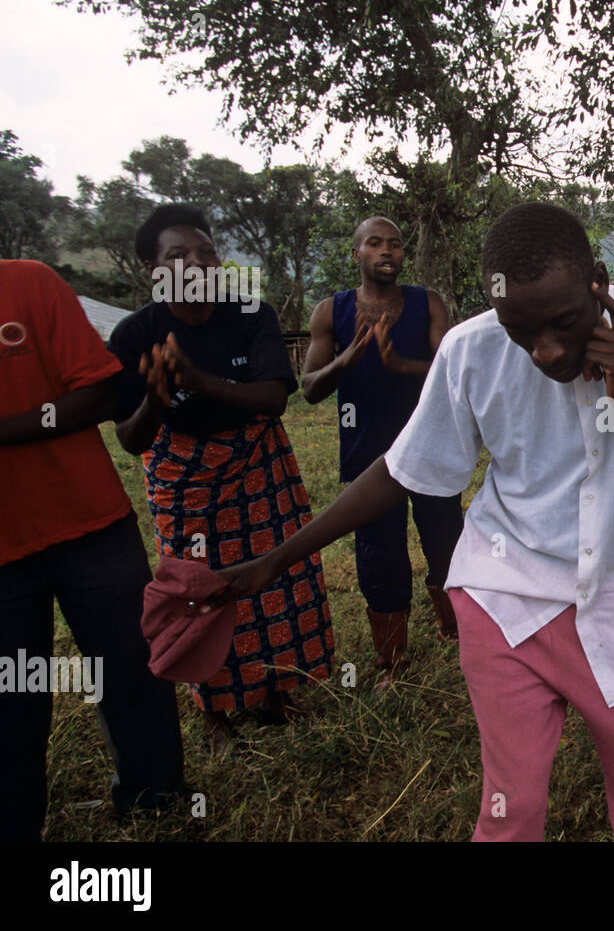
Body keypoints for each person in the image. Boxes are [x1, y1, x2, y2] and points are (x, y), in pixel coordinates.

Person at [207, 202, 614, 841]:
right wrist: (274, 560)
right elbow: (404, 469)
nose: (543, 351)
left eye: (562, 322)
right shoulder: (471, 347)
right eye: (521, 329)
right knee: (511, 811)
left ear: (598, 279)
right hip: (507, 604)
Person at [109, 204, 334, 755]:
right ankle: (214, 712)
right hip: (182, 470)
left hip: (256, 459)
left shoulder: (248, 313)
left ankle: (277, 689)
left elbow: (274, 398)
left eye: (206, 251)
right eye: (177, 254)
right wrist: (158, 403)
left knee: (278, 579)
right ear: (151, 270)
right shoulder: (134, 334)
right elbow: (131, 439)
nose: (195, 262)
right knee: (196, 587)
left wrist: (196, 379)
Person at [0, 259, 185, 841]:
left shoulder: (27, 283)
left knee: (129, 665)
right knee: (13, 694)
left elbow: (100, 393)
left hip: (89, 521)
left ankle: (155, 801)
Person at [300, 215, 463, 691]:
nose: (387, 251)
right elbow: (308, 388)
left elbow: (451, 370)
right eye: (375, 244)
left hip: (430, 446)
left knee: (445, 546)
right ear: (357, 254)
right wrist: (349, 357)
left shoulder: (426, 303)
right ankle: (392, 664)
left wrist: (399, 363)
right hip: (368, 454)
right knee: (379, 556)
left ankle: (454, 632)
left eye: (394, 243)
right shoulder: (330, 312)